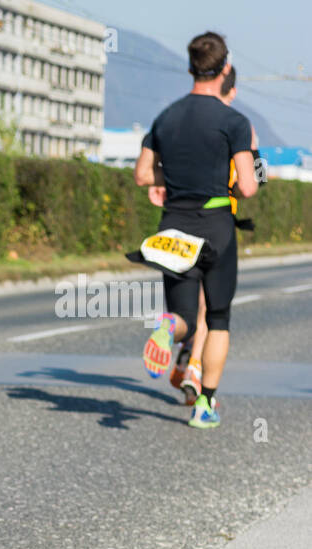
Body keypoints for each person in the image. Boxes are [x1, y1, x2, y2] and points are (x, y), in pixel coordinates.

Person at [134, 32, 258, 429]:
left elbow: (141, 174)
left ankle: (170, 328)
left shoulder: (165, 117)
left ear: (190, 67)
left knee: (184, 313)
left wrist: (166, 179)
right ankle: (205, 405)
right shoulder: (234, 122)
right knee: (217, 317)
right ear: (224, 69)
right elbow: (248, 186)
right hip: (217, 225)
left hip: (173, 226)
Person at [157, 63, 256, 406]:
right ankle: (197, 371)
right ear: (233, 90)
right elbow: (255, 182)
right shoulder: (243, 128)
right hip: (220, 224)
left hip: (179, 219)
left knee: (189, 304)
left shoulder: (185, 123)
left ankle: (187, 354)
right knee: (213, 311)